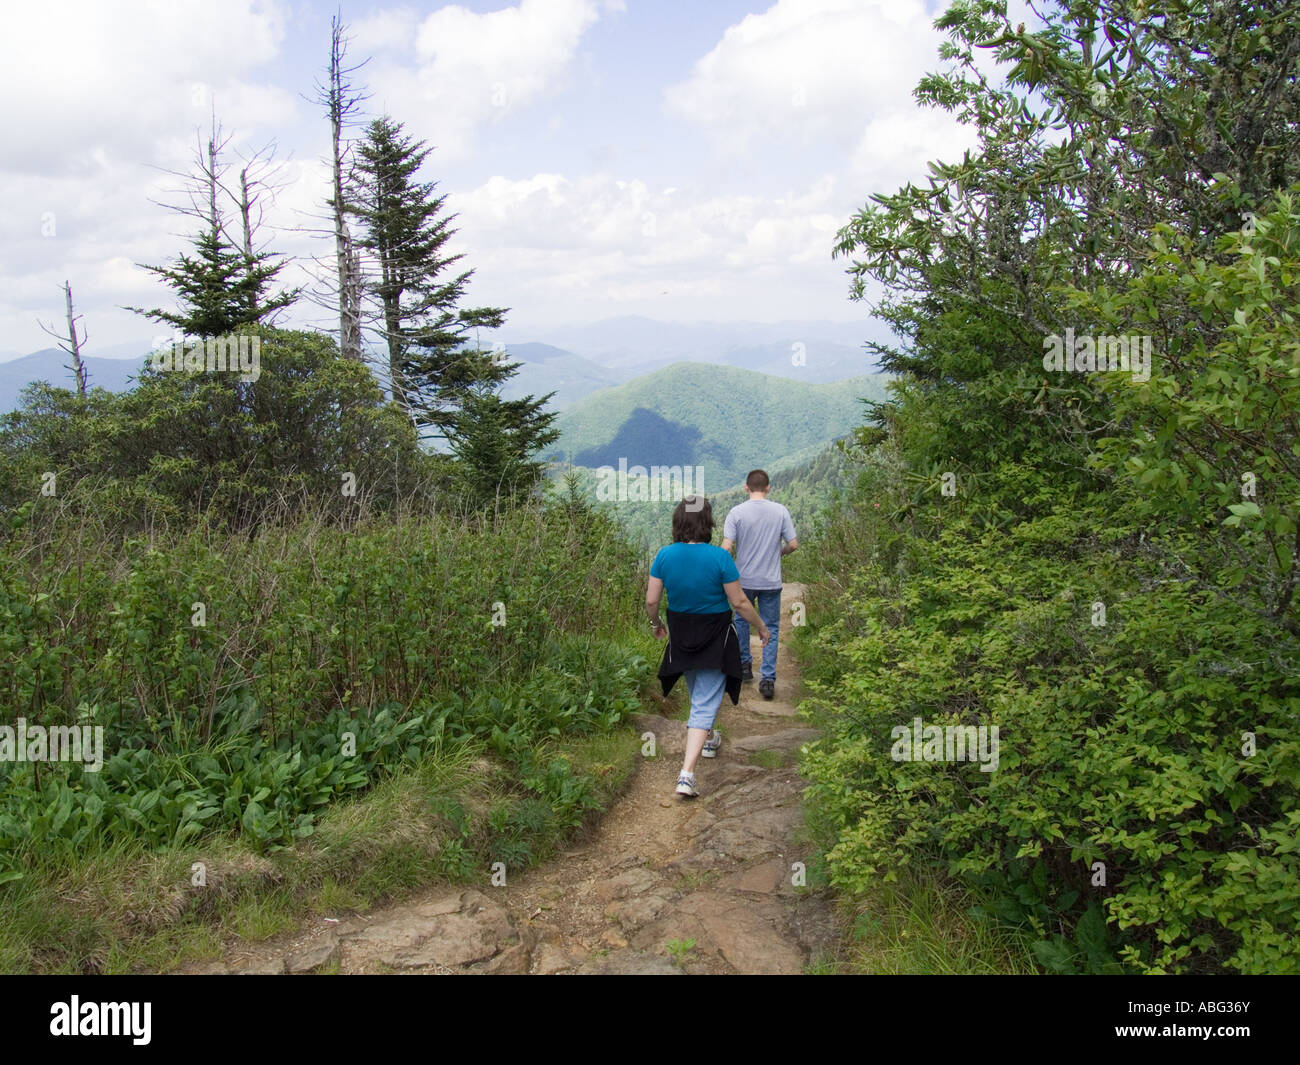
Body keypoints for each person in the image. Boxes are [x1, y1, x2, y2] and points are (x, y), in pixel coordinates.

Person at [646, 495, 770, 798]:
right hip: (715, 634)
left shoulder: (664, 555)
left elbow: (651, 600)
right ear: (707, 524)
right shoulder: (719, 558)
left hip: (681, 632)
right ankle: (687, 774)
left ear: (678, 523)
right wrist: (761, 626)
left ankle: (710, 737)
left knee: (698, 691)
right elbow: (739, 602)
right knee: (704, 698)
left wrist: (655, 624)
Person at [720, 470, 798, 700]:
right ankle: (768, 679)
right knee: (771, 627)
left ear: (746, 488)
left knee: (742, 621)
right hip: (771, 580)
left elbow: (726, 548)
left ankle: (744, 665)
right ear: (768, 487)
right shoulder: (780, 511)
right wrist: (779, 553)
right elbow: (793, 544)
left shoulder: (736, 513)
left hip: (743, 579)